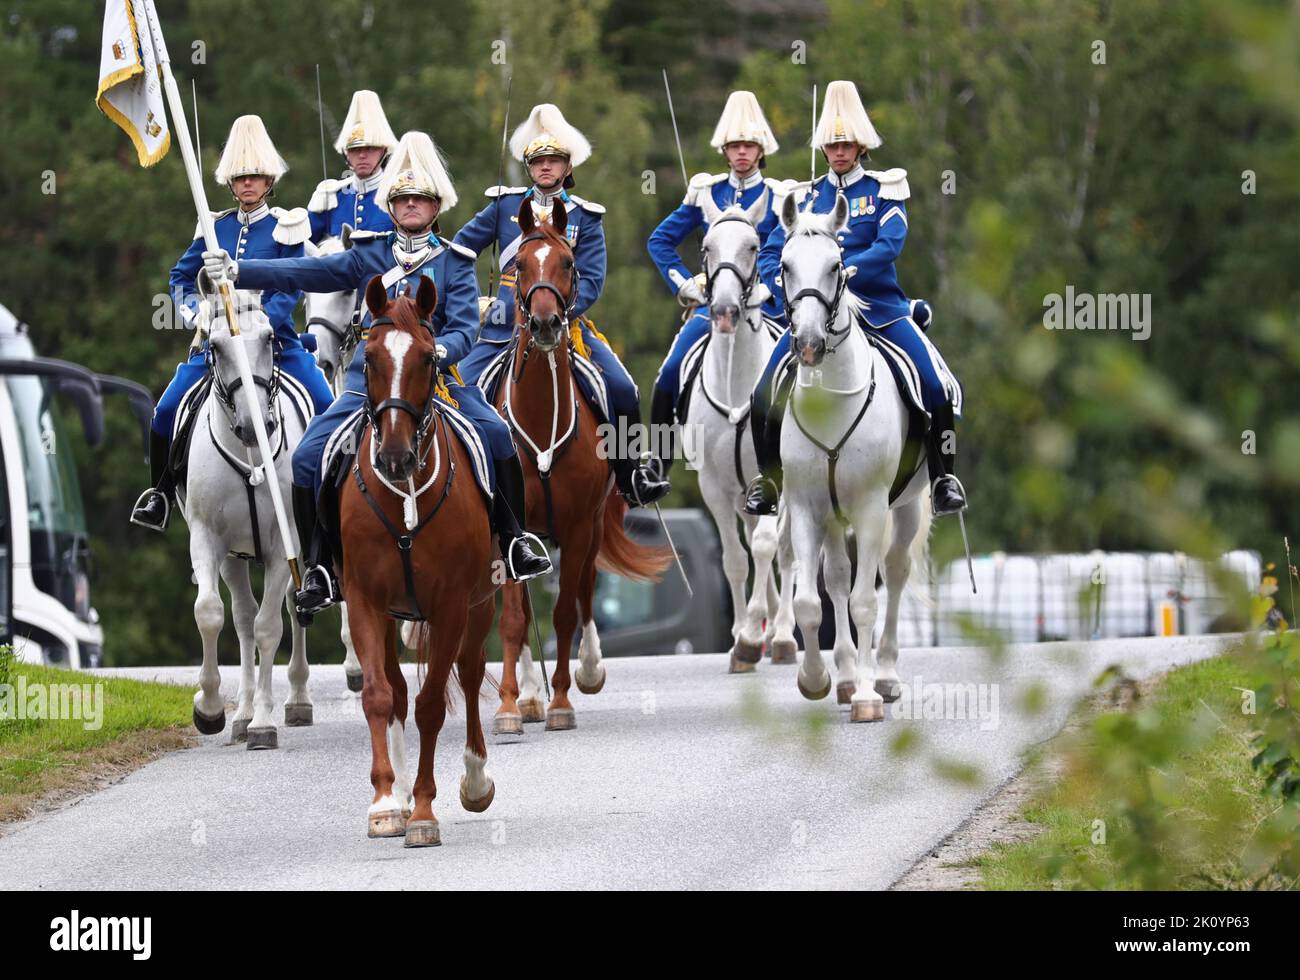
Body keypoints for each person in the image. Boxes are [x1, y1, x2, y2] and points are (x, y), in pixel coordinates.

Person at [201, 131, 552, 621]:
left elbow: (466, 329)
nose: (411, 206)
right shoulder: (369, 255)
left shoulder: (454, 260)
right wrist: (241, 270)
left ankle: (514, 541)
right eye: (403, 199)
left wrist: (439, 350)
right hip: (369, 387)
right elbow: (304, 273)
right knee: (308, 455)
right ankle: (321, 565)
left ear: (435, 207)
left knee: (495, 435)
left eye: (420, 200)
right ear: (390, 205)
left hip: (437, 381)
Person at [743, 81, 967, 518]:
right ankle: (768, 481)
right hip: (814, 315)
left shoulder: (885, 189)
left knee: (934, 384)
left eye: (846, 144)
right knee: (761, 394)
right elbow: (772, 251)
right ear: (823, 149)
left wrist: (845, 273)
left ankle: (943, 478)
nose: (839, 152)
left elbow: (891, 243)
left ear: (861, 146)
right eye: (831, 144)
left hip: (880, 311)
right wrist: (791, 283)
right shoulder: (805, 197)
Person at [454, 104, 669, 507]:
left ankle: (629, 476)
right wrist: (473, 301)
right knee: (455, 390)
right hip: (502, 325)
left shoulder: (585, 217)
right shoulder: (504, 207)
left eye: (554, 161)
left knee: (623, 389)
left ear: (568, 165)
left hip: (566, 325)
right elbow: (459, 253)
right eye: (538, 161)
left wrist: (561, 311)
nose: (546, 167)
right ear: (529, 166)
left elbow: (592, 279)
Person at [131, 115, 332, 532]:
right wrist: (196, 312)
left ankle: (328, 509)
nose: (247, 185)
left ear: (269, 180)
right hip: (217, 346)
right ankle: (161, 495)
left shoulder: (286, 226)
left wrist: (260, 323)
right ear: (230, 181)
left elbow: (292, 284)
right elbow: (179, 278)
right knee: (165, 411)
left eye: (255, 177)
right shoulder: (215, 226)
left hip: (277, 346)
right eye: (240, 178)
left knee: (328, 408)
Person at [645, 91, 791, 482]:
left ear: (762, 151)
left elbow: (795, 251)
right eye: (734, 146)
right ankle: (659, 461)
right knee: (669, 372)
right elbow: (659, 240)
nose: (742, 153)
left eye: (749, 145)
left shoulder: (780, 197)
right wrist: (687, 284)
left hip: (767, 309)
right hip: (714, 309)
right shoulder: (706, 193)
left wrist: (773, 290)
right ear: (724, 151)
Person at [307, 90, 397, 243]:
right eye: (355, 150)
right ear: (346, 154)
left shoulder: (396, 195)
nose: (362, 155)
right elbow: (305, 248)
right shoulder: (330, 197)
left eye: (370, 148)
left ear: (383, 151)